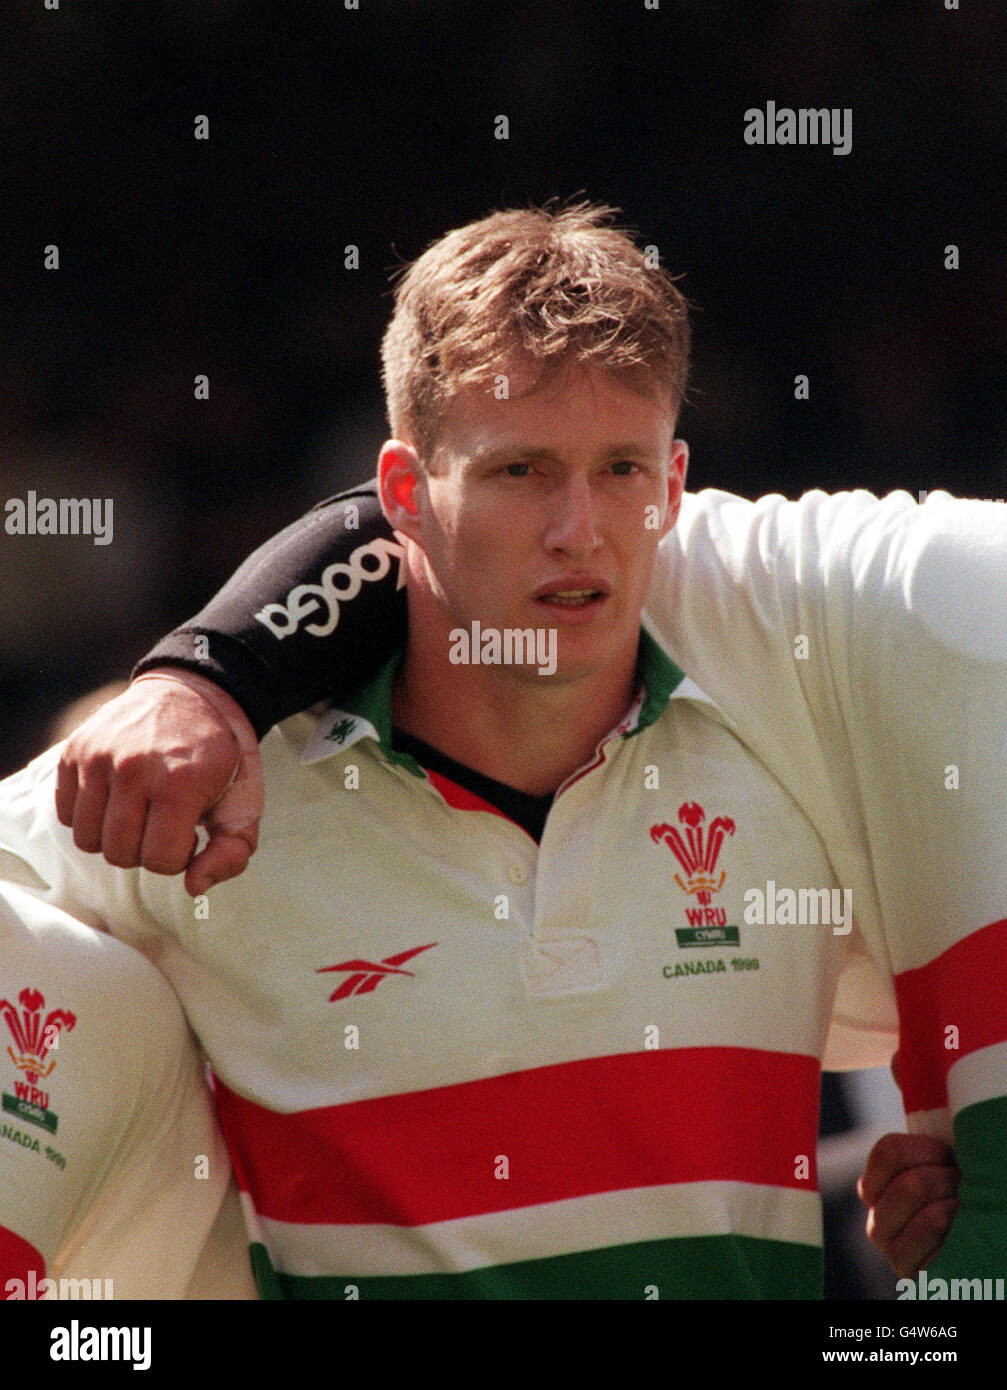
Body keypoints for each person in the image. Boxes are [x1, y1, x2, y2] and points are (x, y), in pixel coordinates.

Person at [3, 203, 986, 1295]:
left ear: (672, 485)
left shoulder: (795, 758)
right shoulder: (218, 808)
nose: (578, 528)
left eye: (620, 469)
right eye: (520, 471)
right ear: (402, 497)